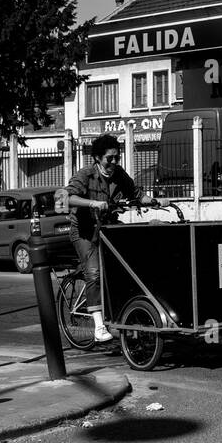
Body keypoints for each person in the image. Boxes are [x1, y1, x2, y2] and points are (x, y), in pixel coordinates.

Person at [65, 134, 152, 341]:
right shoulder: (85, 175)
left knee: (130, 262)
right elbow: (67, 197)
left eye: (116, 157)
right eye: (109, 158)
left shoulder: (119, 174)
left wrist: (155, 201)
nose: (113, 162)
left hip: (107, 226)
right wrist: (92, 203)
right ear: (97, 157)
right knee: (94, 273)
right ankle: (98, 327)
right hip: (84, 231)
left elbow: (136, 193)